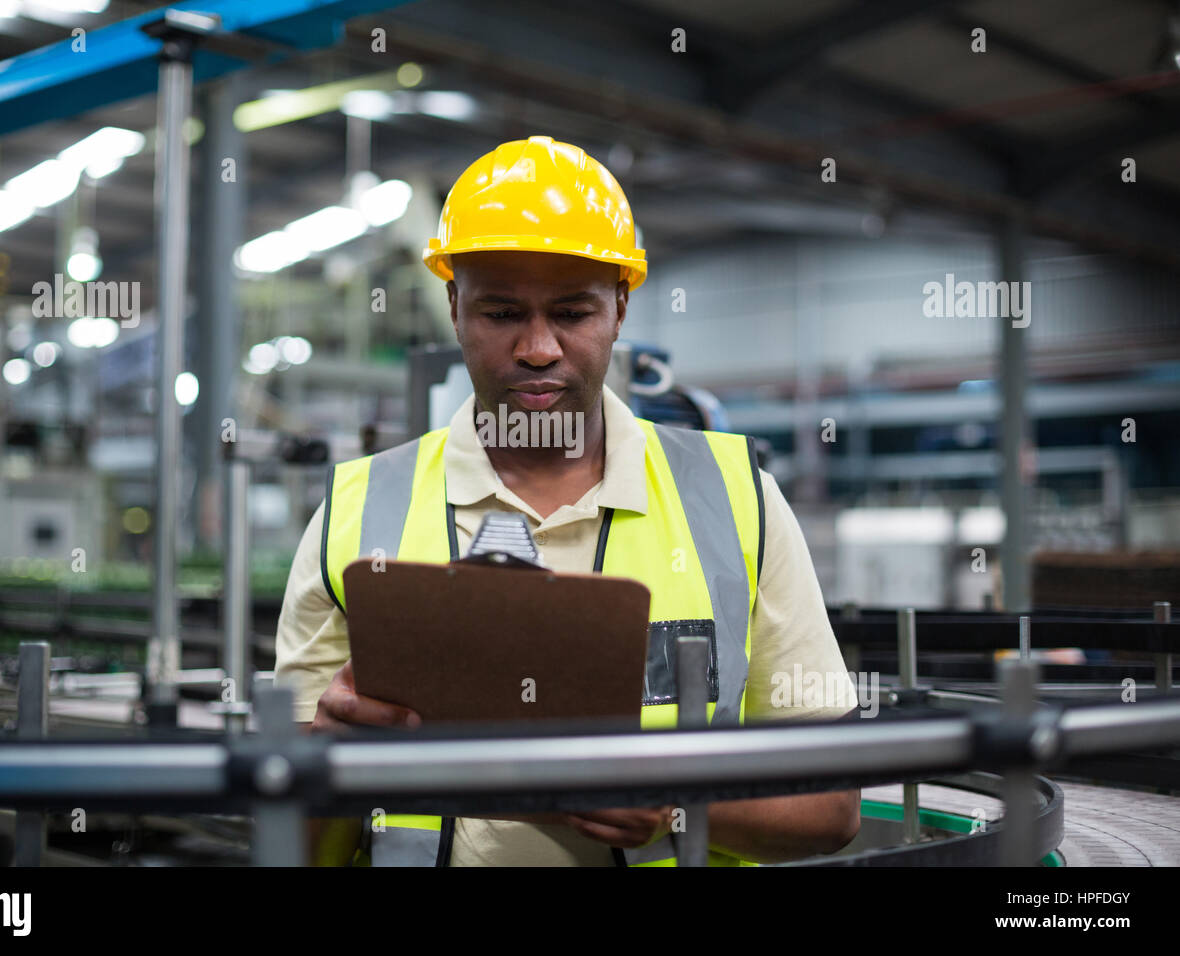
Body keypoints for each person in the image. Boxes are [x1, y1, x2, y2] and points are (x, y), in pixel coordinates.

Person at [275, 135, 861, 866]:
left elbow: (833, 807)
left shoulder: (738, 500)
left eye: (573, 313)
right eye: (500, 313)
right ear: (454, 305)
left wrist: (676, 804)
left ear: (620, 306)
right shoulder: (355, 514)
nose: (539, 348)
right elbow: (285, 845)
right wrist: (330, 769)